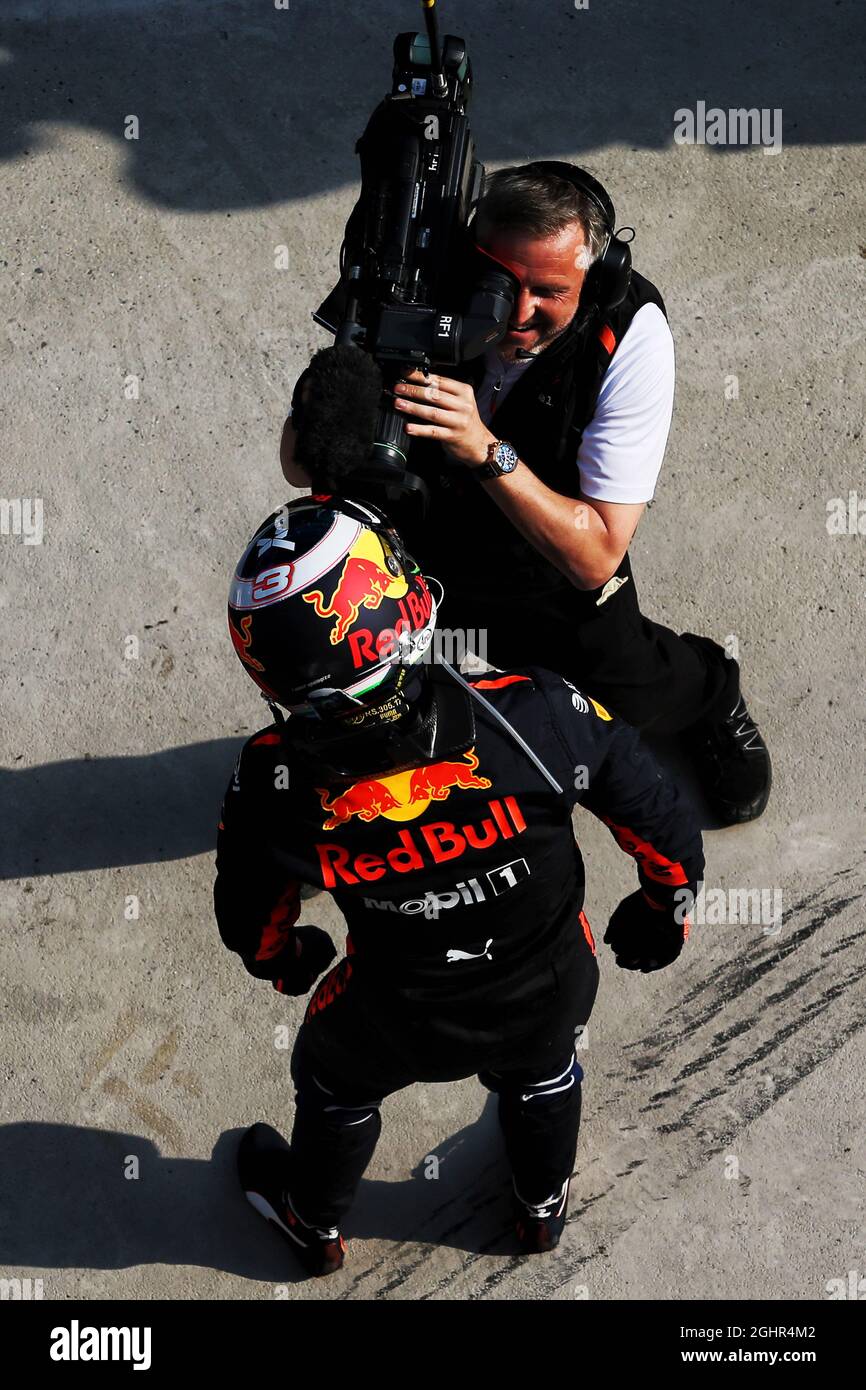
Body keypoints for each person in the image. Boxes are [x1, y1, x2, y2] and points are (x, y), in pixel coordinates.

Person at [215, 496, 704, 1277]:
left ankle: (313, 1225)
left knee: (330, 1075)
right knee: (547, 1064)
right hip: (548, 983)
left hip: (391, 1016)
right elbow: (666, 826)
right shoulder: (539, 713)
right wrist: (664, 913)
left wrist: (282, 959)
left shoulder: (272, 783)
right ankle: (540, 1212)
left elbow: (248, 916)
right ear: (404, 609)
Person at [279, 162, 772, 827]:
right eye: (499, 281)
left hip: (545, 562)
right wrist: (330, 400)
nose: (517, 313)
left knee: (629, 694)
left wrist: (485, 448)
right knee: (360, 674)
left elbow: (596, 554)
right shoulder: (415, 284)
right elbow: (298, 464)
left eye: (548, 290)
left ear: (597, 279)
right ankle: (357, 788)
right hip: (418, 537)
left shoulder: (631, 337)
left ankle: (713, 697)